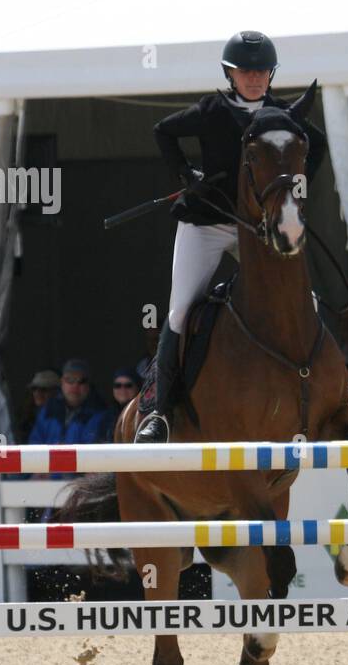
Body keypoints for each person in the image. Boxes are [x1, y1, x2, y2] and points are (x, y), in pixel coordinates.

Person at [135, 30, 326, 443]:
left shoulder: (280, 113)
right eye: (246, 72)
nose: (254, 78)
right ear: (231, 74)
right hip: (204, 225)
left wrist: (292, 193)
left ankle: (331, 394)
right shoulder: (212, 109)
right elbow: (163, 131)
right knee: (180, 311)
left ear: (270, 74)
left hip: (253, 229)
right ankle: (159, 412)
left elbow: (318, 145)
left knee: (302, 300)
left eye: (261, 72)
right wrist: (188, 177)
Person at [28, 359, 114, 454]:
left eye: (82, 381)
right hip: (48, 467)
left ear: (89, 385)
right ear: (61, 383)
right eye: (69, 380)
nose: (75, 386)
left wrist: (66, 452)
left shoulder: (102, 414)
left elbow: (99, 453)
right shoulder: (47, 411)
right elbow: (34, 446)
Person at [18, 369, 60, 443]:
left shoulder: (61, 417)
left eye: (43, 389)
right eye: (34, 389)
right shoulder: (26, 415)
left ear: (56, 391)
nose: (37, 393)